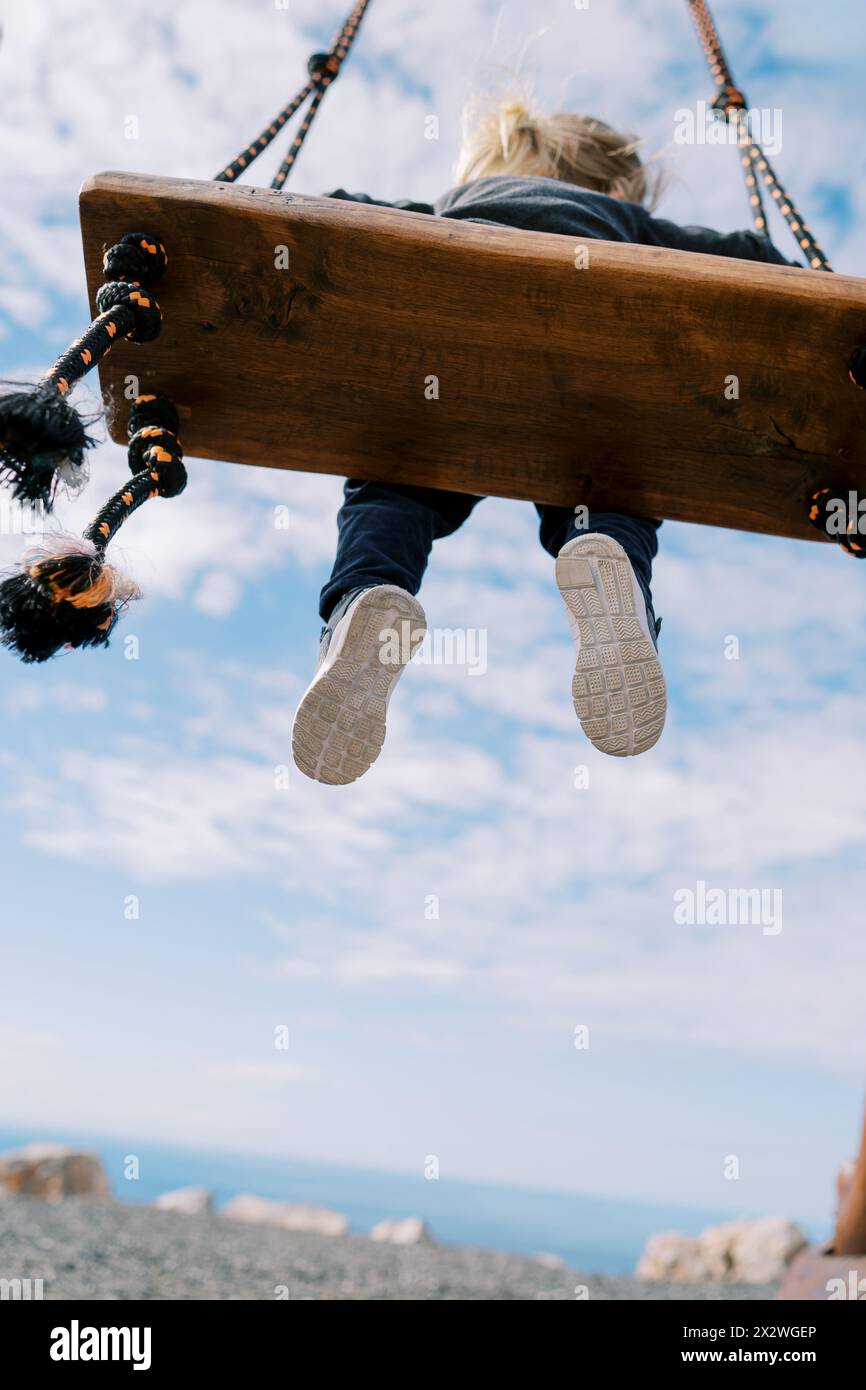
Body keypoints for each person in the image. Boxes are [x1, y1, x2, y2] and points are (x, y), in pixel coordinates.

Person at [291, 95, 795, 785]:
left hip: (449, 381)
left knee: (394, 479)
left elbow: (342, 211)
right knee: (616, 482)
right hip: (593, 389)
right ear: (615, 188)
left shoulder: (451, 206)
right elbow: (747, 258)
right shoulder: (628, 222)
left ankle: (364, 598)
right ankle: (614, 566)